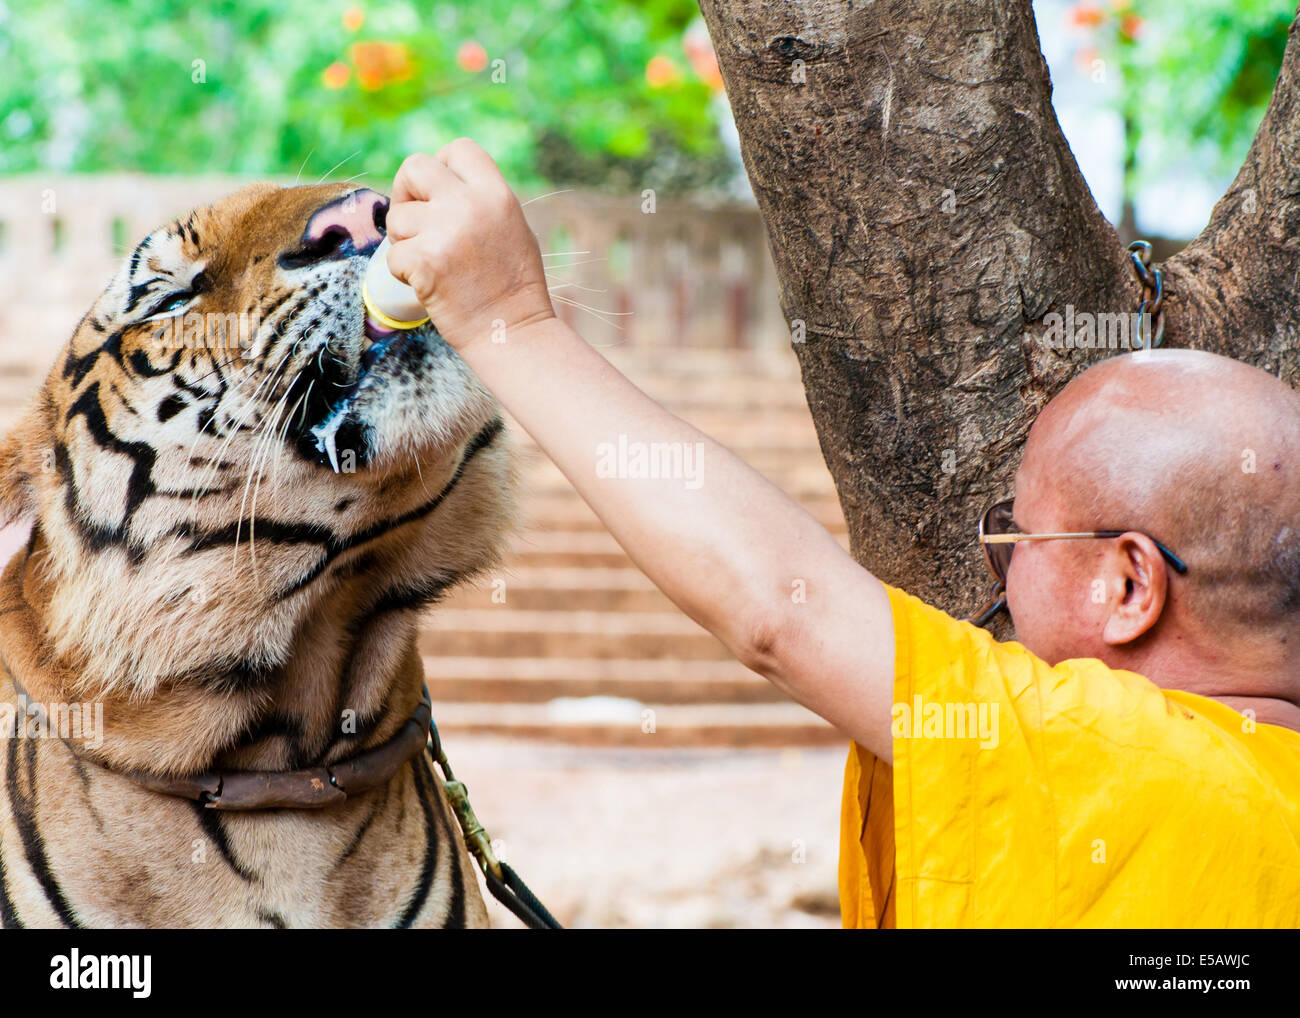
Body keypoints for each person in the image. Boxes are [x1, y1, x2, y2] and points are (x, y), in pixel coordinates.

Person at [383, 139, 1300, 928]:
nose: (995, 577)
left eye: (1016, 539)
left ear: (1129, 587)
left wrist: (511, 321)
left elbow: (783, 610)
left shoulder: (1120, 765)